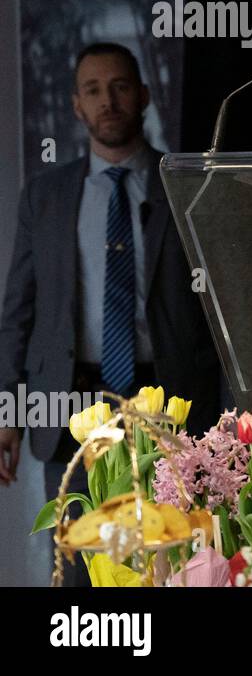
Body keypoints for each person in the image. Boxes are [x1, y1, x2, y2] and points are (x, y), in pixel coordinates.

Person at [0, 42, 224, 584]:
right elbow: (18, 310)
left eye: (120, 86)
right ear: (76, 105)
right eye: (94, 90)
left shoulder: (188, 187)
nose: (108, 101)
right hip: (74, 409)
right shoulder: (45, 196)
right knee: (81, 573)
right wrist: (8, 407)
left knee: (174, 566)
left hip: (171, 406)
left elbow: (219, 308)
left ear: (143, 95)